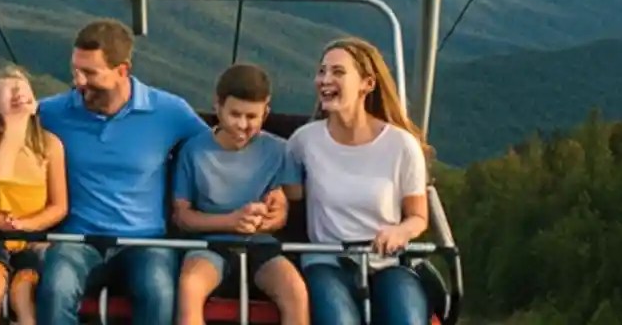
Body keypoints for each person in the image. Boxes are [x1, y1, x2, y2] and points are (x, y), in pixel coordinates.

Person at [34, 18, 210, 325]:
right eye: (76, 70)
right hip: (78, 239)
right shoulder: (53, 112)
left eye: (90, 72)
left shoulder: (168, 111)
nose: (79, 82)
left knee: (158, 293)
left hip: (144, 242)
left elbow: (219, 151)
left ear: (122, 70)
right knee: (56, 289)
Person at [283, 37, 432, 325]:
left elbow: (418, 217)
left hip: (386, 261)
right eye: (322, 71)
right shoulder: (304, 141)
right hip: (327, 260)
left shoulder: (401, 146)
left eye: (338, 72)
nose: (325, 79)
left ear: (367, 83)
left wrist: (399, 232)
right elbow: (288, 195)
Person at [172, 63, 309, 325]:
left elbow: (292, 198)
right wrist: (231, 221)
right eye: (235, 115)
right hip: (209, 245)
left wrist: (279, 209)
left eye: (252, 117)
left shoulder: (279, 150)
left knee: (295, 292)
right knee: (190, 287)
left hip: (260, 243)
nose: (242, 126)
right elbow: (182, 216)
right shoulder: (193, 151)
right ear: (218, 107)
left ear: (265, 113)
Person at [0, 64, 68, 325]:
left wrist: (26, 226)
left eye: (22, 88)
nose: (17, 93)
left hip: (34, 237)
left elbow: (58, 205)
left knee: (22, 292)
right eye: (8, 91)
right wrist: (4, 225)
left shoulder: (49, 145)